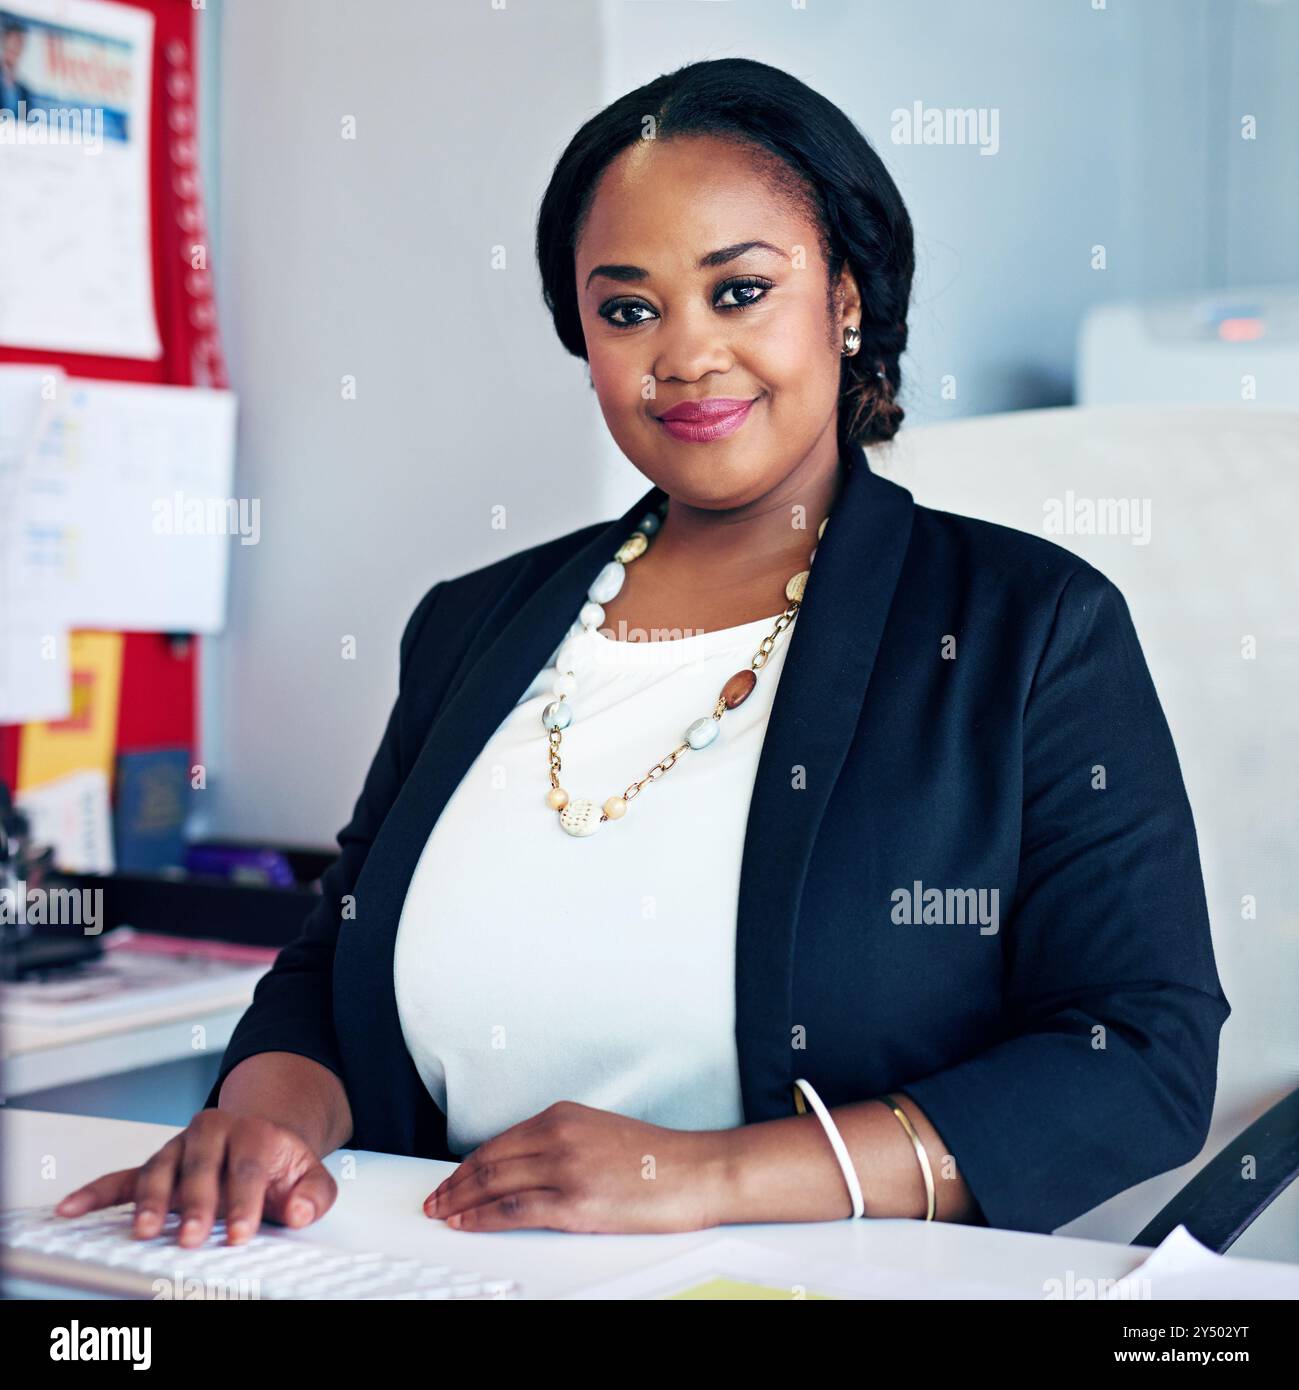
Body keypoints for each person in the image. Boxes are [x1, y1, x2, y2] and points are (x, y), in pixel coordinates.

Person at [58, 56, 1229, 1246]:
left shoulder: (1028, 625)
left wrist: (709, 1178)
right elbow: (326, 976)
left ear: (848, 299)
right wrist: (263, 1120)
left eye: (739, 292)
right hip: (428, 1266)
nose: (683, 355)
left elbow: (1138, 1055)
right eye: (628, 309)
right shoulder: (473, 625)